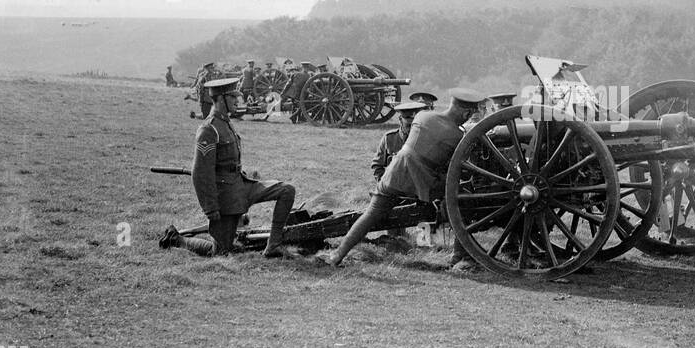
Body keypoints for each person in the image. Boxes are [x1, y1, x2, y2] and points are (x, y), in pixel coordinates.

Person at [325, 88, 485, 270]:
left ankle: (337, 255)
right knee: (463, 199)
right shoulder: (457, 136)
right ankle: (459, 257)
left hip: (395, 173)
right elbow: (455, 167)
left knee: (371, 214)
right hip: (423, 182)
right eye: (469, 114)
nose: (467, 118)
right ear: (466, 112)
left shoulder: (423, 116)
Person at [159, 77, 297, 258]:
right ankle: (177, 239)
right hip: (226, 196)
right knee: (221, 252)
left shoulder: (226, 123)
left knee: (286, 190)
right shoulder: (209, 130)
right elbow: (201, 174)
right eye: (232, 97)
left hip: (241, 185)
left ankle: (273, 247)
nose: (237, 101)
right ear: (220, 99)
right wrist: (211, 208)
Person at [371, 100, 430, 183]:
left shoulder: (427, 139)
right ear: (400, 120)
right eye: (408, 126)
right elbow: (377, 166)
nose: (412, 130)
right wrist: (385, 184)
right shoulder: (389, 138)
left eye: (415, 125)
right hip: (393, 190)